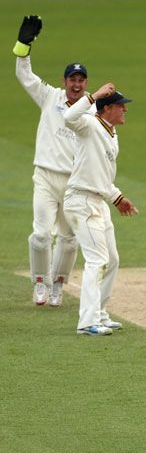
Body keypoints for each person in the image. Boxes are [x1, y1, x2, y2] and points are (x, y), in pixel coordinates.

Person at [13, 15, 83, 307]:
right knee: (41, 235)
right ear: (64, 81)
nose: (76, 84)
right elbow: (24, 75)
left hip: (73, 181)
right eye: (72, 79)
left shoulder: (90, 108)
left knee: (69, 239)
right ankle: (39, 282)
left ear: (85, 83)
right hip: (45, 176)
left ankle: (58, 285)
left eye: (81, 80)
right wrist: (23, 45)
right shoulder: (49, 97)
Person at [62, 83, 139, 336]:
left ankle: (101, 314)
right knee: (97, 260)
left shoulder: (112, 133)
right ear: (106, 109)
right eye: (120, 106)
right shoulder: (89, 124)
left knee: (112, 259)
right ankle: (87, 322)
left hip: (99, 200)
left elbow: (102, 176)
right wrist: (93, 96)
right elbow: (68, 116)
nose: (124, 110)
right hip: (82, 200)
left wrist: (118, 198)